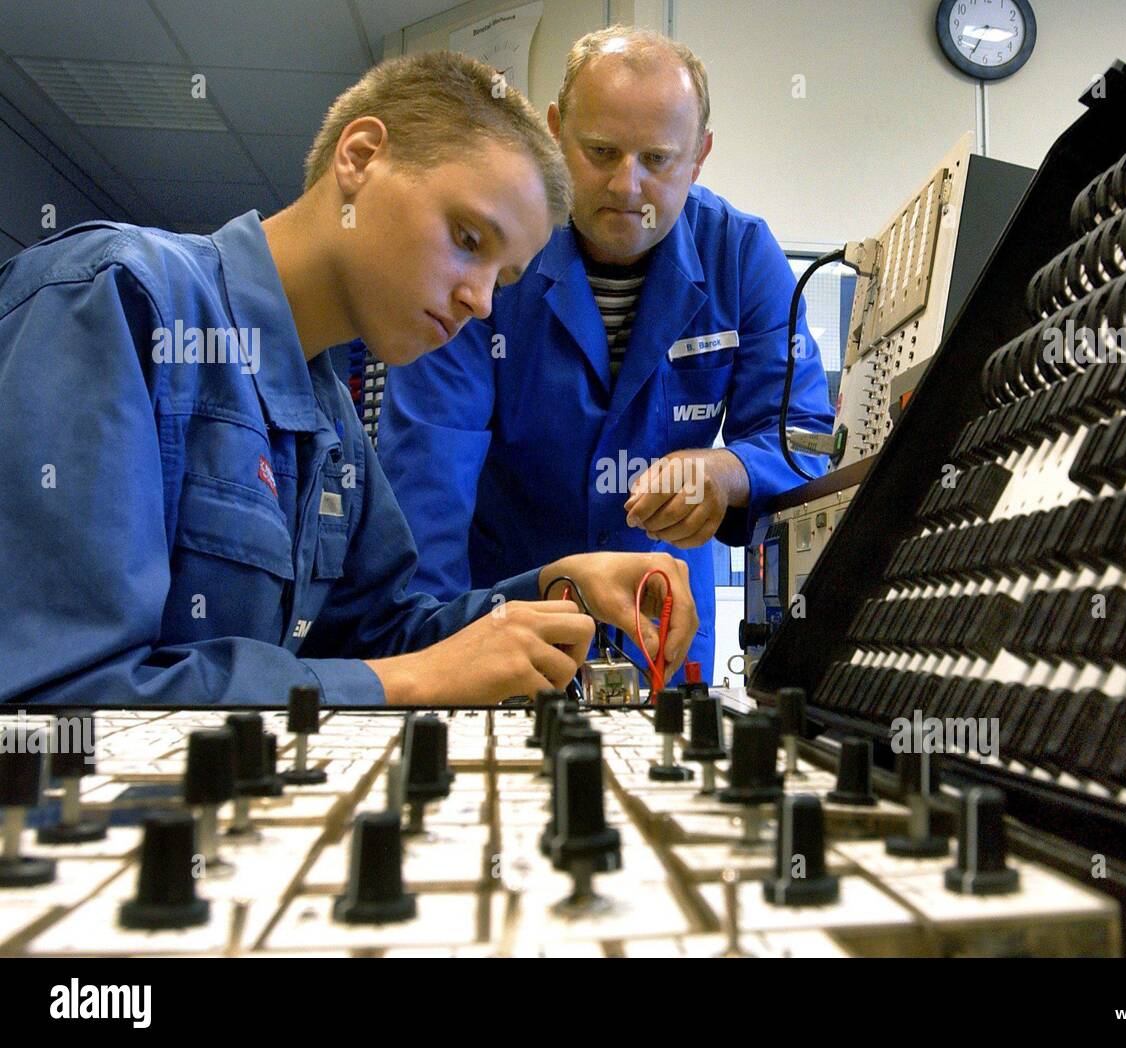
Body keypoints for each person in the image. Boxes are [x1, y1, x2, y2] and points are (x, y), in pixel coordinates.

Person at [0, 51, 696, 707]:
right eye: (467, 240)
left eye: (503, 278)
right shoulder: (116, 301)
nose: (481, 302)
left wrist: (551, 586)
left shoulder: (329, 422)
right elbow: (57, 701)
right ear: (360, 157)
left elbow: (381, 639)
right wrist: (407, 682)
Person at [379, 26, 832, 684]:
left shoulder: (740, 256)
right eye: (600, 152)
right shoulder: (490, 250)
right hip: (505, 618)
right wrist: (432, 658)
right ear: (556, 131)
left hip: (665, 629)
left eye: (657, 158)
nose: (627, 185)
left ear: (699, 156)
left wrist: (728, 471)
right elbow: (428, 477)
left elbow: (802, 439)